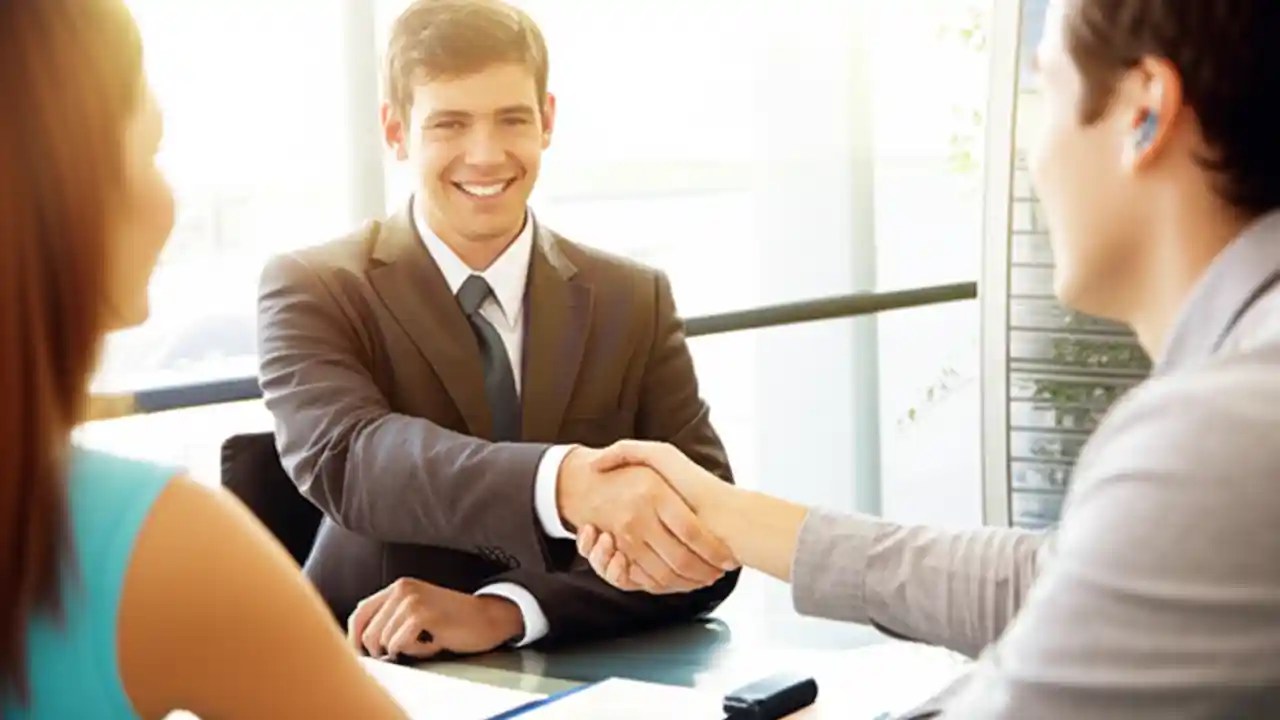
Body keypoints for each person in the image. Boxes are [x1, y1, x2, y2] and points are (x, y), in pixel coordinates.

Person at [578, 0, 1280, 716]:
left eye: (1046, 92)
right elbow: (1058, 579)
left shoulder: (1223, 428)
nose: (1029, 153)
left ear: (1144, 113)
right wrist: (729, 517)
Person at [256, 0, 738, 661]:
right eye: (450, 123)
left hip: (582, 670)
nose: (485, 156)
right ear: (396, 131)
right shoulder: (315, 285)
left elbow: (708, 540)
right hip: (368, 668)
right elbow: (353, 457)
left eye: (512, 119)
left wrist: (508, 610)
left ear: (547, 121)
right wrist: (566, 482)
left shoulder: (633, 299)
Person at [0, 2, 406, 717]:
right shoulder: (146, 543)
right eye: (150, 150)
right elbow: (354, 453)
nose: (170, 200)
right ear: (64, 185)